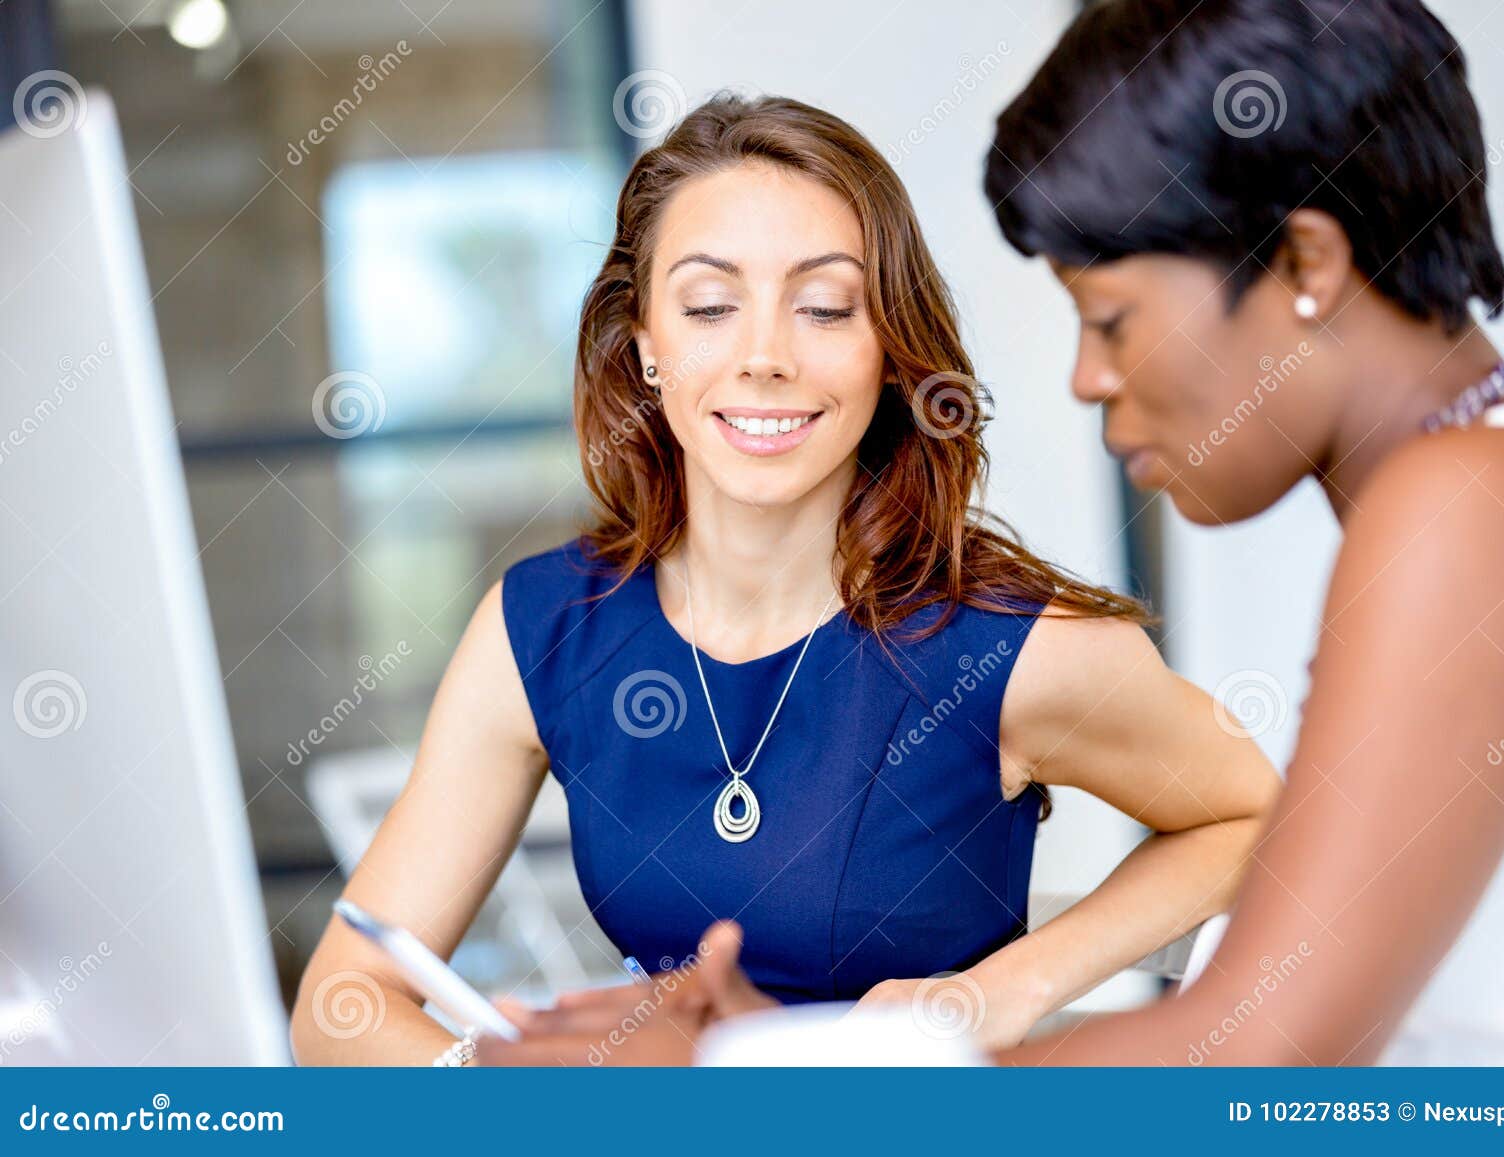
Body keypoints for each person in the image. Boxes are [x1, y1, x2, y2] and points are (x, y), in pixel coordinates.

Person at [289, 94, 1280, 1066]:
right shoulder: (542, 628)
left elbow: (1265, 811)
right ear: (643, 348)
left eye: (822, 306)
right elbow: (341, 1004)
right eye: (711, 306)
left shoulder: (1007, 646)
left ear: (888, 349)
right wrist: (506, 1090)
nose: (763, 356)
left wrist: (1000, 989)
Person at [981, 0, 1504, 1064]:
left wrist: (764, 1085)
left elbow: (1249, 1061)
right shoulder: (1500, 484)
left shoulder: (1477, 505)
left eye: (1112, 318)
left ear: (1306, 262)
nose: (1087, 378)